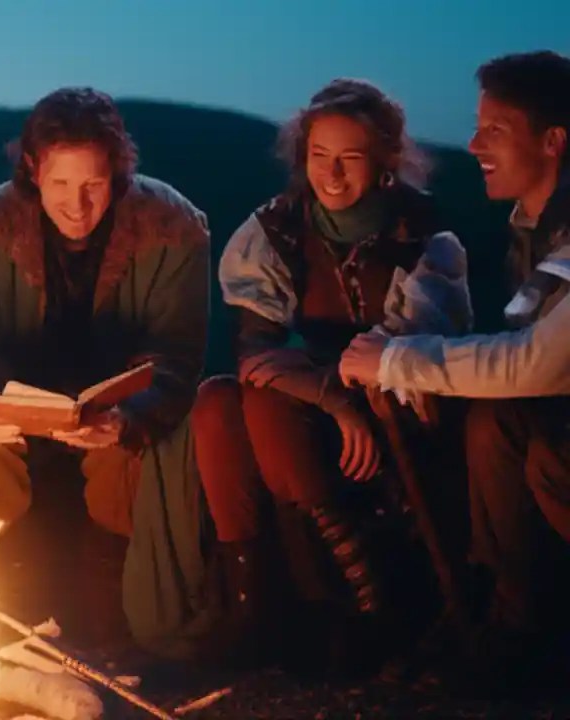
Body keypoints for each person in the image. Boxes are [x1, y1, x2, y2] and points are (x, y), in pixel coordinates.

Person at [191, 78, 473, 666]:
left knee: (266, 403)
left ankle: (361, 601)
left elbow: (413, 353)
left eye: (350, 157)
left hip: (398, 398)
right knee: (218, 401)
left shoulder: (420, 237)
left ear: (385, 161)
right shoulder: (276, 230)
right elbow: (255, 353)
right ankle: (248, 601)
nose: (332, 174)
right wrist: (334, 402)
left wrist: (344, 393)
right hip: (324, 400)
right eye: (319, 156)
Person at [0, 87, 213, 659]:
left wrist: (126, 418)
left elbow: (176, 357)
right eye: (61, 184)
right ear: (34, 171)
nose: (77, 204)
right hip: (18, 401)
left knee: (134, 458)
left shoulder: (173, 226)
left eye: (93, 184)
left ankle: (114, 626)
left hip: (114, 408)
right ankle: (6, 609)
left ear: (118, 171)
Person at [340, 50, 570, 684]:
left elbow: (538, 362)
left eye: (494, 130)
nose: (473, 144)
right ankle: (505, 624)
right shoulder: (536, 231)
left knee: (506, 418)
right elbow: (522, 327)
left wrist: (396, 359)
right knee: (488, 421)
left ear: (553, 141)